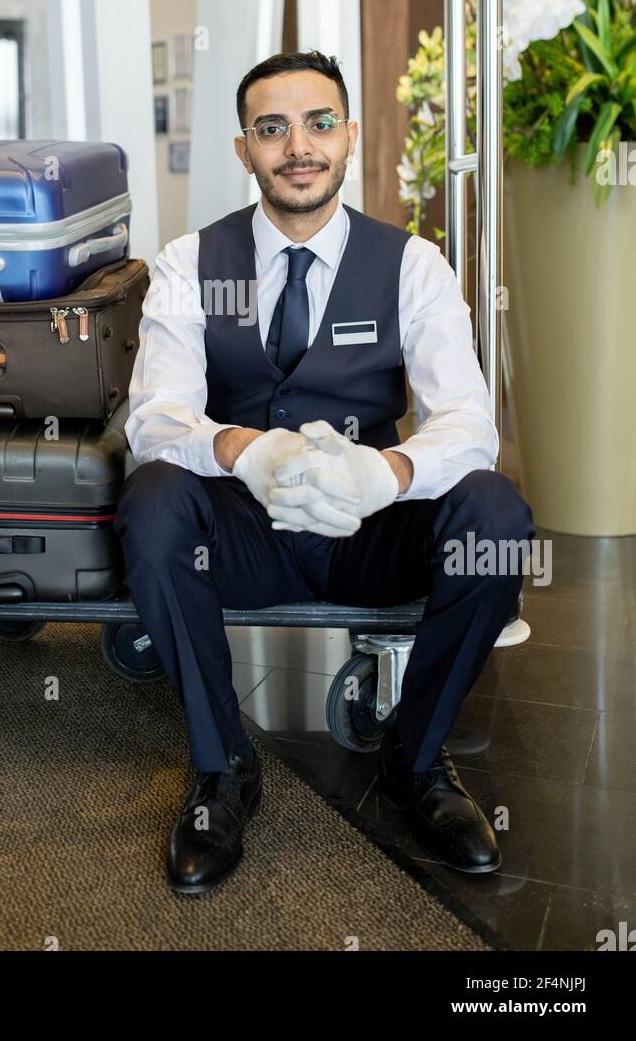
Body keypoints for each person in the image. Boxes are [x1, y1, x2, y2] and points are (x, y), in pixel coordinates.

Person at [113, 50, 535, 895]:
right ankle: (223, 766)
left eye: (318, 124)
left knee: (497, 514)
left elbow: (468, 423)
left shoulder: (411, 265)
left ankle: (415, 764)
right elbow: (156, 418)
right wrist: (242, 449)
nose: (297, 146)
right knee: (154, 498)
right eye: (273, 129)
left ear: (348, 138)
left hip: (368, 533)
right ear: (245, 150)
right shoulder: (192, 263)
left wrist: (388, 471)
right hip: (242, 534)